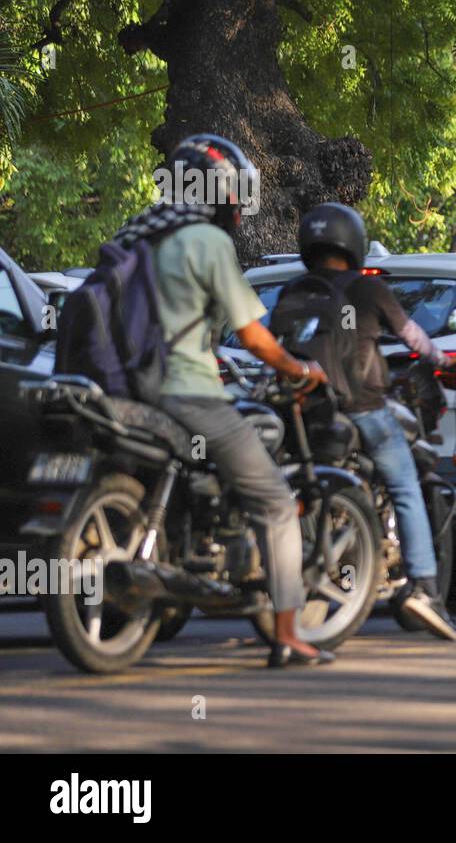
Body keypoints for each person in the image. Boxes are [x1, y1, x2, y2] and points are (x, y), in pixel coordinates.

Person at [116, 134, 331, 668]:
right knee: (277, 503)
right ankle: (288, 634)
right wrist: (300, 368)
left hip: (126, 388)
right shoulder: (206, 244)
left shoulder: (135, 234)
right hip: (186, 395)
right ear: (221, 192)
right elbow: (255, 339)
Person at [294, 202, 456, 640]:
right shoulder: (369, 290)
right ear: (353, 243)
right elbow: (413, 337)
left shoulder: (295, 290)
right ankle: (424, 586)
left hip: (301, 411)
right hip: (362, 408)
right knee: (405, 486)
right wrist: (444, 360)